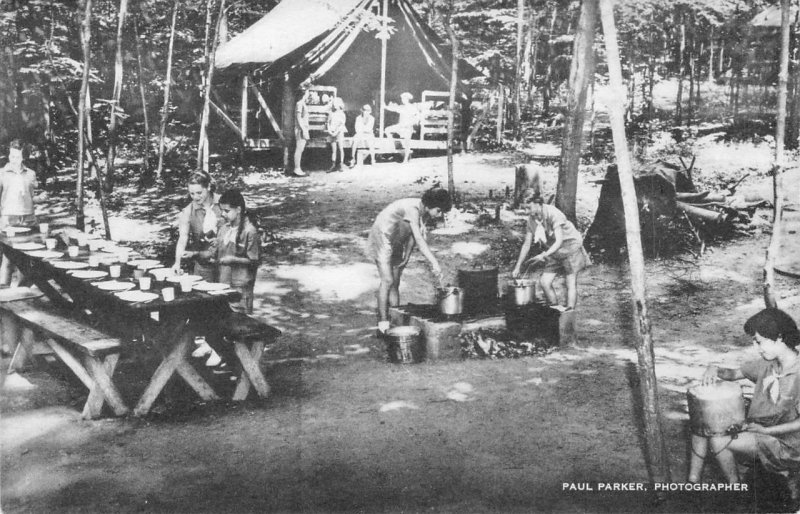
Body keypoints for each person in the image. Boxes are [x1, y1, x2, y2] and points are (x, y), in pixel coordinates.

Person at [688, 308, 800, 499]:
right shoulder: (768, 363)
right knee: (707, 423)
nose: (757, 347)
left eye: (759, 341)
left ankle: (736, 489)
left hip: (788, 444)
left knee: (719, 438)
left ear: (779, 338)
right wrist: (714, 368)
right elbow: (733, 374)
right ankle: (694, 483)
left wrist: (765, 432)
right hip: (761, 428)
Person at [367, 187, 451, 335]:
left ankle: (395, 319)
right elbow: (419, 238)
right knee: (387, 280)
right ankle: (383, 323)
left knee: (396, 280)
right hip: (383, 235)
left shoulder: (424, 212)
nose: (440, 215)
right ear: (430, 205)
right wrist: (434, 262)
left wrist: (406, 256)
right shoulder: (413, 209)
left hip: (397, 237)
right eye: (439, 210)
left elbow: (413, 236)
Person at [511, 190, 588, 311]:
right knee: (545, 282)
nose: (526, 212)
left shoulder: (553, 213)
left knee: (570, 283)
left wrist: (543, 255)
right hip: (553, 250)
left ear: (537, 203)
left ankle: (569, 313)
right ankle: (555, 310)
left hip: (570, 247)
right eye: (524, 209)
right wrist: (517, 266)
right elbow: (526, 244)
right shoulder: (532, 220)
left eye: (528, 208)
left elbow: (558, 241)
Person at [0, 139, 45, 287]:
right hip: (9, 219)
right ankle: (3, 293)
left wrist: (40, 198)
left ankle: (22, 291)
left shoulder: (31, 174)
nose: (14, 160)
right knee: (8, 258)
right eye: (12, 156)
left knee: (26, 257)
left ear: (23, 157)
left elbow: (31, 198)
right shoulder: (2, 174)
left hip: (28, 219)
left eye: (17, 157)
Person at [209, 189, 260, 314]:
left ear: (238, 209)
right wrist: (215, 249)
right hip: (223, 283)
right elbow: (219, 252)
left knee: (239, 323)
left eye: (227, 211)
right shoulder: (224, 228)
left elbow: (254, 261)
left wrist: (232, 260)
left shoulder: (250, 231)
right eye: (222, 211)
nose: (223, 214)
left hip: (240, 287)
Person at [172, 171, 222, 282]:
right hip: (204, 265)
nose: (196, 197)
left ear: (208, 187)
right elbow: (182, 238)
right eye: (192, 194)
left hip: (227, 263)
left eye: (199, 192)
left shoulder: (223, 203)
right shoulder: (188, 211)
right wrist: (177, 262)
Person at [384, 92, 418, 163]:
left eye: (404, 98)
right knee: (387, 130)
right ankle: (393, 146)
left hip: (407, 127)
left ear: (407, 99)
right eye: (402, 98)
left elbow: (416, 118)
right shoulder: (402, 107)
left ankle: (405, 159)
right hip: (400, 126)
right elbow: (394, 109)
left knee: (407, 143)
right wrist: (385, 107)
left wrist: (410, 124)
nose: (402, 100)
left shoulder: (412, 108)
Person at [293, 87, 311, 177]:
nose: (309, 94)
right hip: (300, 129)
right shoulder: (299, 103)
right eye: (308, 92)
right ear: (304, 94)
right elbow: (299, 118)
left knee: (301, 149)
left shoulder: (303, 103)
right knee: (299, 149)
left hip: (303, 128)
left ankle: (298, 168)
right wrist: (303, 130)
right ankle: (297, 169)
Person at [326, 97, 346, 173]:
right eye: (334, 103)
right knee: (333, 150)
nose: (335, 105)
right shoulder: (331, 113)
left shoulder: (342, 114)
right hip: (332, 132)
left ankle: (341, 164)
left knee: (341, 148)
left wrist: (336, 132)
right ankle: (333, 164)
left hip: (339, 132)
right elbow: (328, 122)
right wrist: (329, 130)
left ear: (340, 104)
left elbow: (341, 125)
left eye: (336, 103)